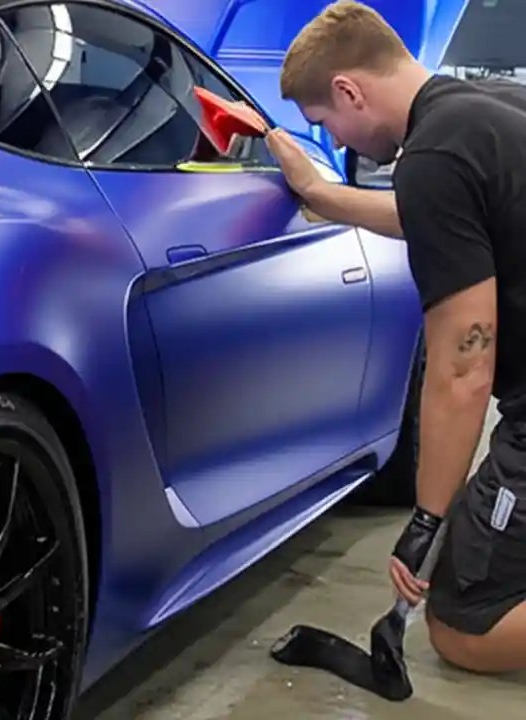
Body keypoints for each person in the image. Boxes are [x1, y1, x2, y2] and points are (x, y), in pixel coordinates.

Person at [263, 0, 526, 674]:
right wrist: (322, 197)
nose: (341, 144)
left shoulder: (434, 155)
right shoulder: (487, 108)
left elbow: (465, 365)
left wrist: (425, 519)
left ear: (349, 90)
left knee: (463, 628)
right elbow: (443, 213)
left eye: (328, 122)